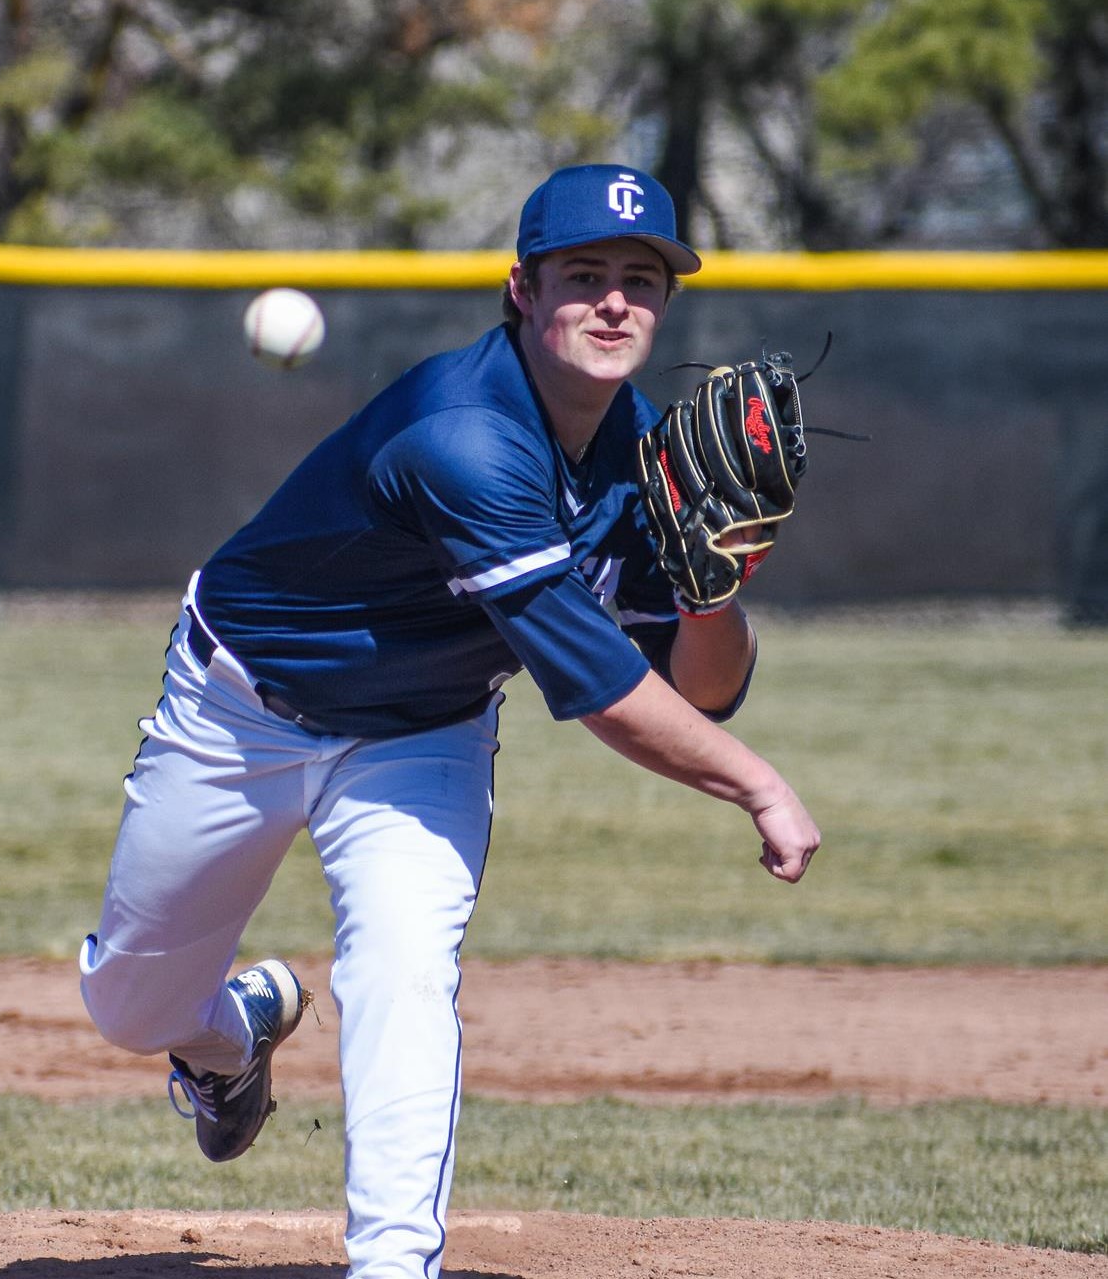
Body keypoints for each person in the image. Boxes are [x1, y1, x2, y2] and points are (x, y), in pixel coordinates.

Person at [79, 163, 821, 1279]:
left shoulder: (646, 457)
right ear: (521, 290)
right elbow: (604, 694)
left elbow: (699, 686)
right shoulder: (463, 436)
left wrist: (712, 593)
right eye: (583, 276)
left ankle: (391, 1265)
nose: (615, 302)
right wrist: (757, 785)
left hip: (419, 734)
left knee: (402, 967)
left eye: (640, 278)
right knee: (129, 1006)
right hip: (240, 712)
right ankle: (227, 1040)